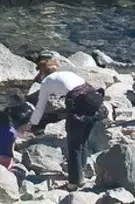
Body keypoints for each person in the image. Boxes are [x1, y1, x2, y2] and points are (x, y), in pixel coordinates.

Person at [20, 54, 105, 189]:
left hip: (78, 111)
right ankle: (81, 172)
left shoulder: (46, 82)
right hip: (95, 106)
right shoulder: (67, 74)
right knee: (83, 142)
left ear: (42, 72)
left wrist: (31, 124)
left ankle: (74, 183)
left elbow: (40, 107)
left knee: (73, 146)